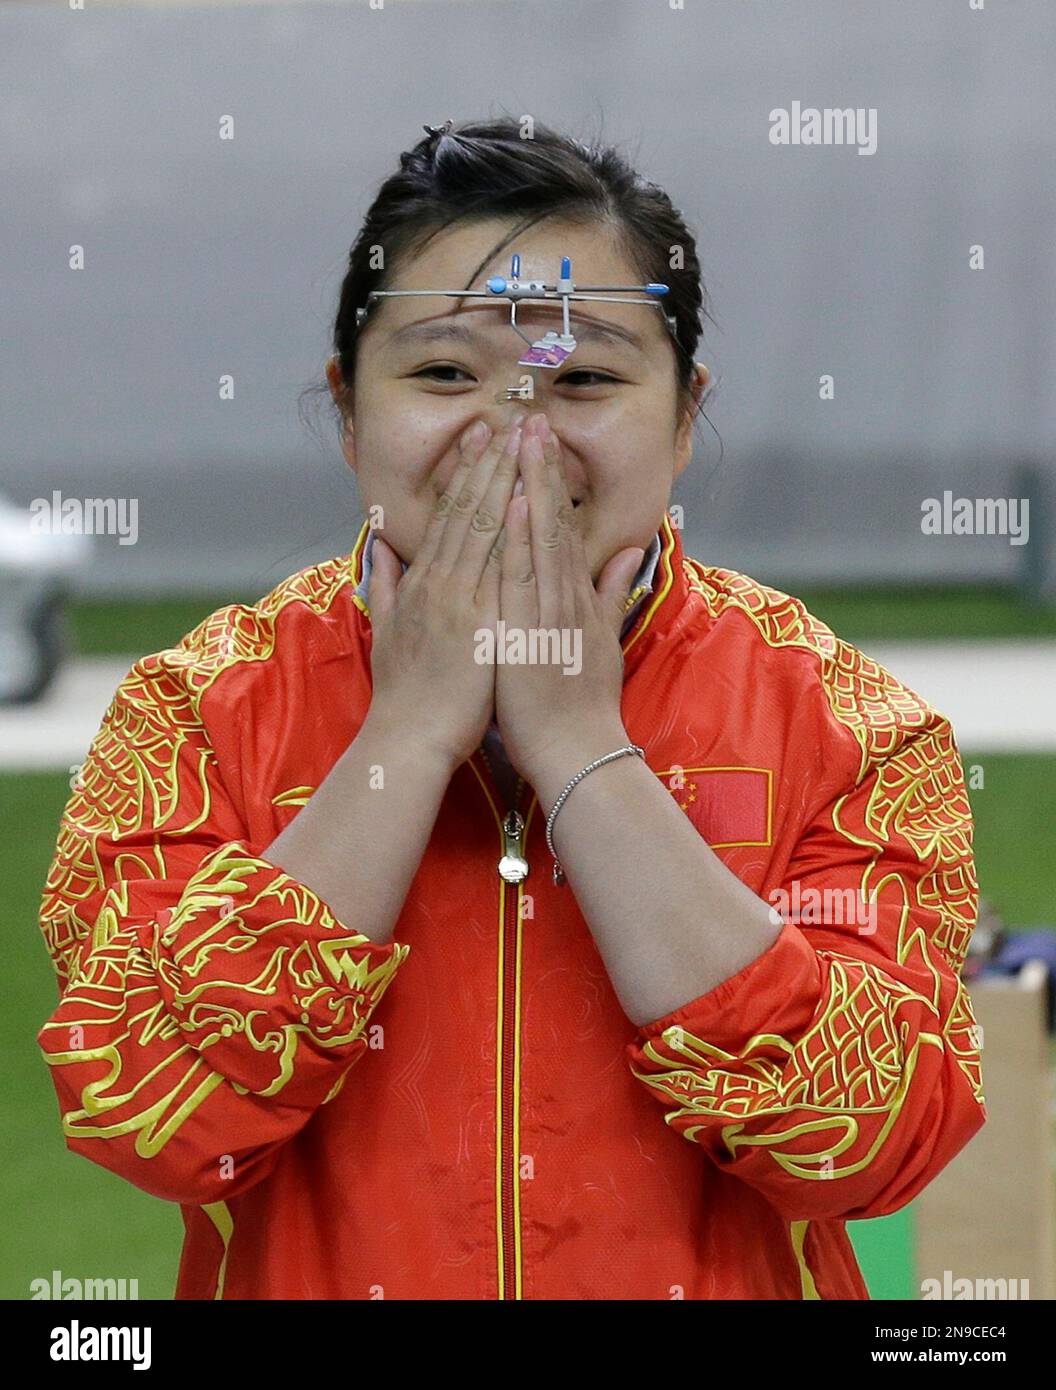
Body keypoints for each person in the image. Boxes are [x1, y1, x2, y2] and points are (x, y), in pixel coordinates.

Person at [36, 118, 986, 1300]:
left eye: (585, 377)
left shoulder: (846, 718)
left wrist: (585, 749)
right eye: (443, 374)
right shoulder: (192, 712)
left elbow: (878, 1140)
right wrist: (406, 736)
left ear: (686, 415)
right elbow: (147, 1113)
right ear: (348, 410)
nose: (516, 435)